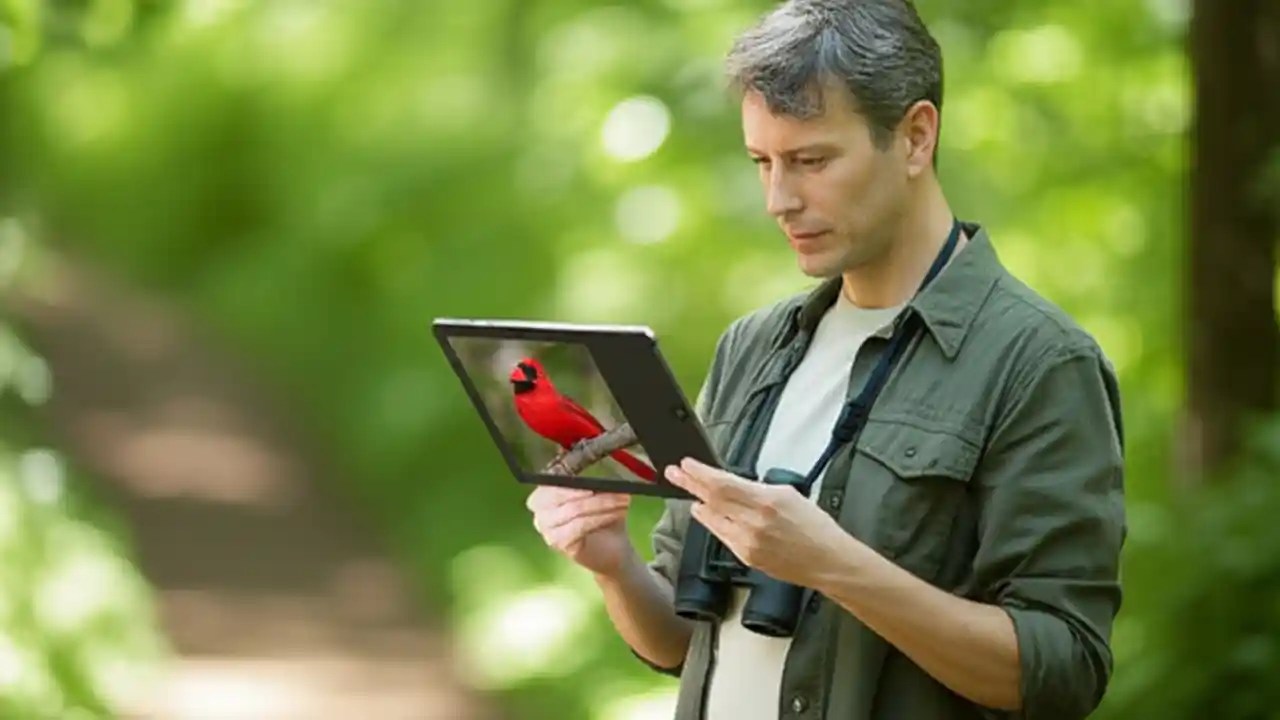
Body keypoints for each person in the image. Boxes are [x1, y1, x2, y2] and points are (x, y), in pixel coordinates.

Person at [524, 1, 1126, 718]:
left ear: (916, 137)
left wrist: (834, 566)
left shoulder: (1039, 363)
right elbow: (685, 642)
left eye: (811, 161)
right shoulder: (751, 348)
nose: (778, 200)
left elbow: (1064, 669)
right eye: (762, 162)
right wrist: (613, 565)